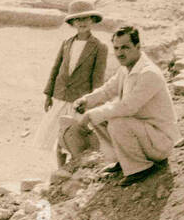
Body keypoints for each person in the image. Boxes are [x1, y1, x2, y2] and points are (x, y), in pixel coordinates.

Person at [65, 25, 177, 186]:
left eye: (125, 47)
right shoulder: (125, 69)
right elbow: (107, 90)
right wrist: (86, 101)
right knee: (102, 114)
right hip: (144, 133)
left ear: (138, 47)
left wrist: (93, 114)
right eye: (116, 48)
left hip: (160, 142)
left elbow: (128, 107)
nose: (119, 53)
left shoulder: (149, 73)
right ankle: (122, 159)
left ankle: (140, 168)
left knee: (116, 121)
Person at [36, 0, 108, 170]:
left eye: (86, 19)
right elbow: (56, 69)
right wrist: (48, 95)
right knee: (58, 137)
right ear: (72, 23)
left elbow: (98, 78)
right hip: (60, 97)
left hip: (79, 100)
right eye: (77, 19)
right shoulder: (67, 43)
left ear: (92, 21)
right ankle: (60, 171)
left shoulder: (99, 47)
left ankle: (77, 170)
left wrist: (91, 102)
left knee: (73, 135)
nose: (82, 23)